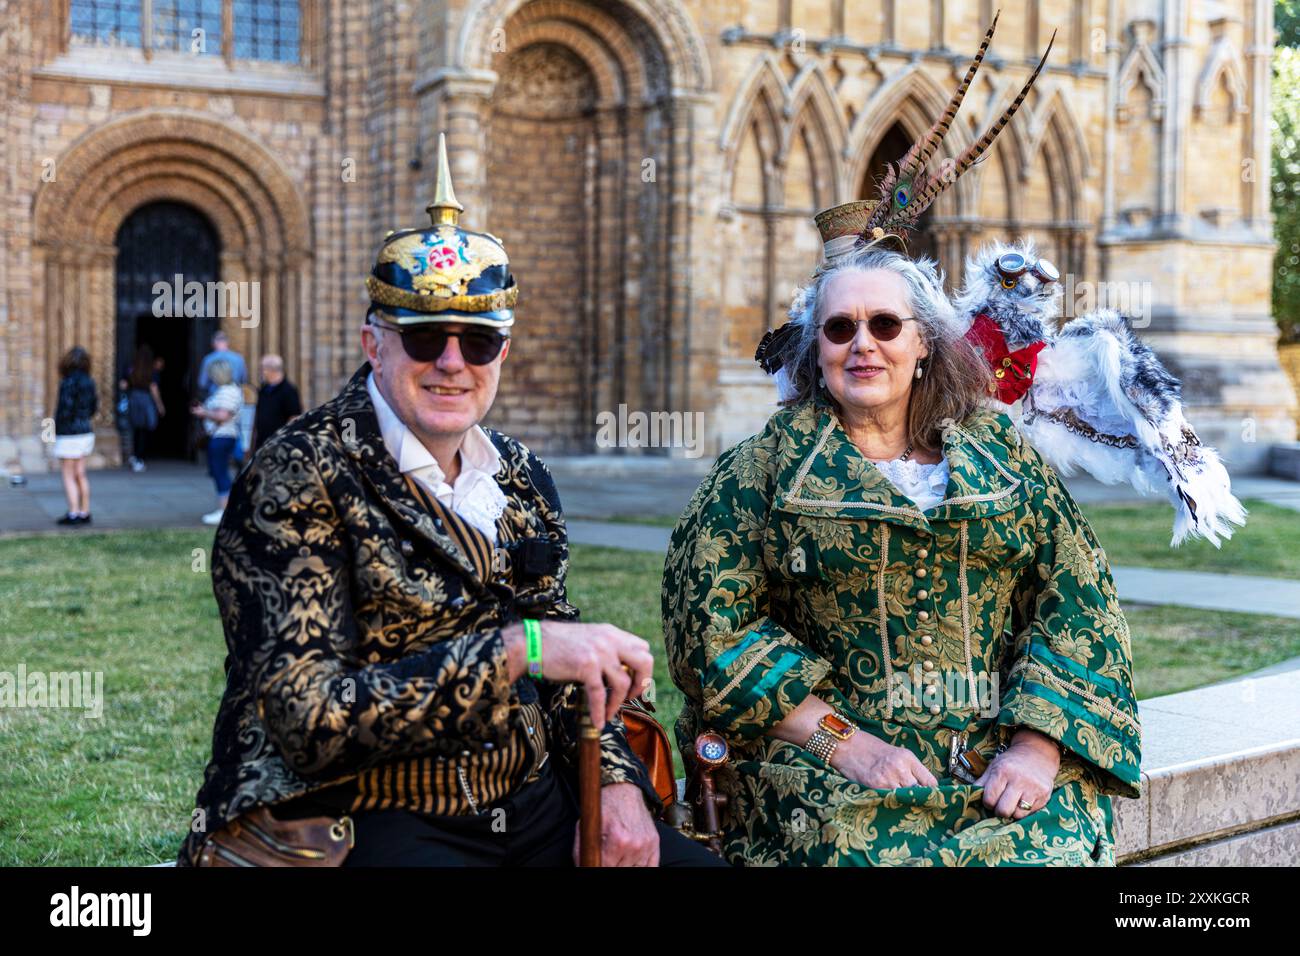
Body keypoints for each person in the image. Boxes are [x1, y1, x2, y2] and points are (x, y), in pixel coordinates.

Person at [178, 134, 722, 867]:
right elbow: (309, 720)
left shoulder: (522, 477)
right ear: (375, 344)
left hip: (532, 800)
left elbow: (563, 654)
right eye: (427, 336)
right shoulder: (296, 471)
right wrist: (518, 650)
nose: (452, 363)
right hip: (371, 814)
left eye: (480, 342)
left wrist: (617, 789)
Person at [189, 359, 242, 526]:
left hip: (222, 436)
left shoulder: (227, 391)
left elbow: (223, 416)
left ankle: (224, 510)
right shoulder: (226, 390)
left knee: (220, 472)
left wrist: (203, 412)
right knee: (219, 471)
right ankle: (226, 509)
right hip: (222, 436)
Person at [52, 346, 98, 526]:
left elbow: (63, 409)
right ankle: (85, 511)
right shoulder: (89, 381)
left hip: (70, 434)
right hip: (85, 432)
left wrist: (54, 431)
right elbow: (94, 408)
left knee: (68, 475)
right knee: (81, 474)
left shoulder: (67, 382)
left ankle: (73, 512)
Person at [119, 344, 163, 472]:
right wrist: (159, 405)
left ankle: (134, 456)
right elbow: (154, 388)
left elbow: (123, 385)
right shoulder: (151, 370)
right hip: (146, 400)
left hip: (134, 398)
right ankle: (139, 457)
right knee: (146, 428)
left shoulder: (132, 369)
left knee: (136, 429)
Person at [251, 353, 302, 451]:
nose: (260, 372)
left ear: (272, 370)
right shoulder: (263, 390)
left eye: (262, 368)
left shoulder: (288, 390)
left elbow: (294, 417)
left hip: (280, 444)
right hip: (262, 443)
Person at [196, 331, 247, 398]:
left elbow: (202, 383)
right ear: (228, 342)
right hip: (234, 396)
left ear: (213, 342)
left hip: (216, 396)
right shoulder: (239, 358)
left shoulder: (208, 359)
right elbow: (244, 380)